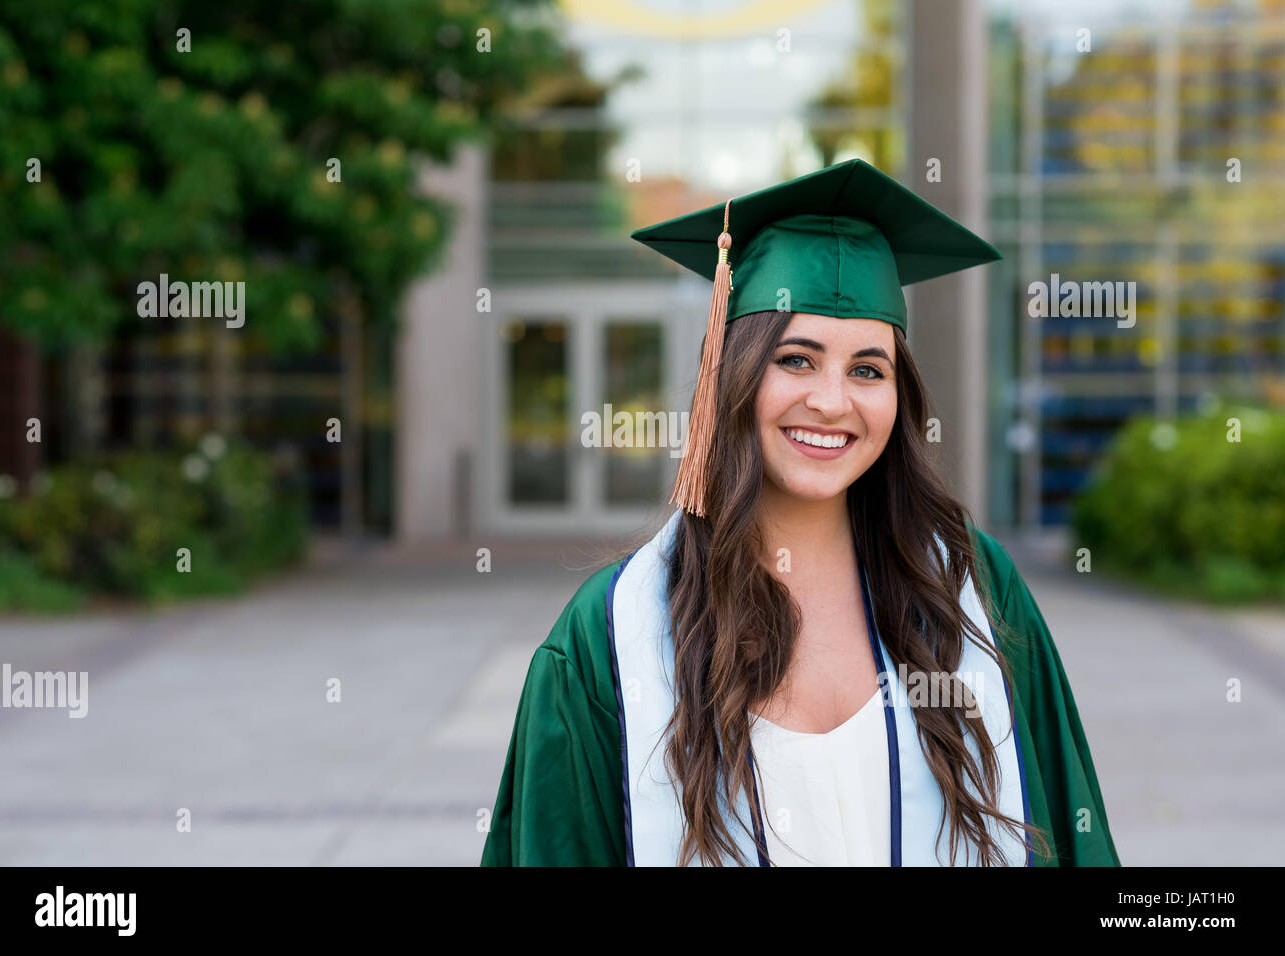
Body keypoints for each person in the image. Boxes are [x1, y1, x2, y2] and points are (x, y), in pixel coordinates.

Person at [480, 158, 1121, 867]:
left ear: (898, 394)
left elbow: (1069, 827)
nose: (832, 401)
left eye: (867, 370)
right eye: (796, 359)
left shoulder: (971, 587)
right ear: (732, 373)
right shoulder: (611, 635)